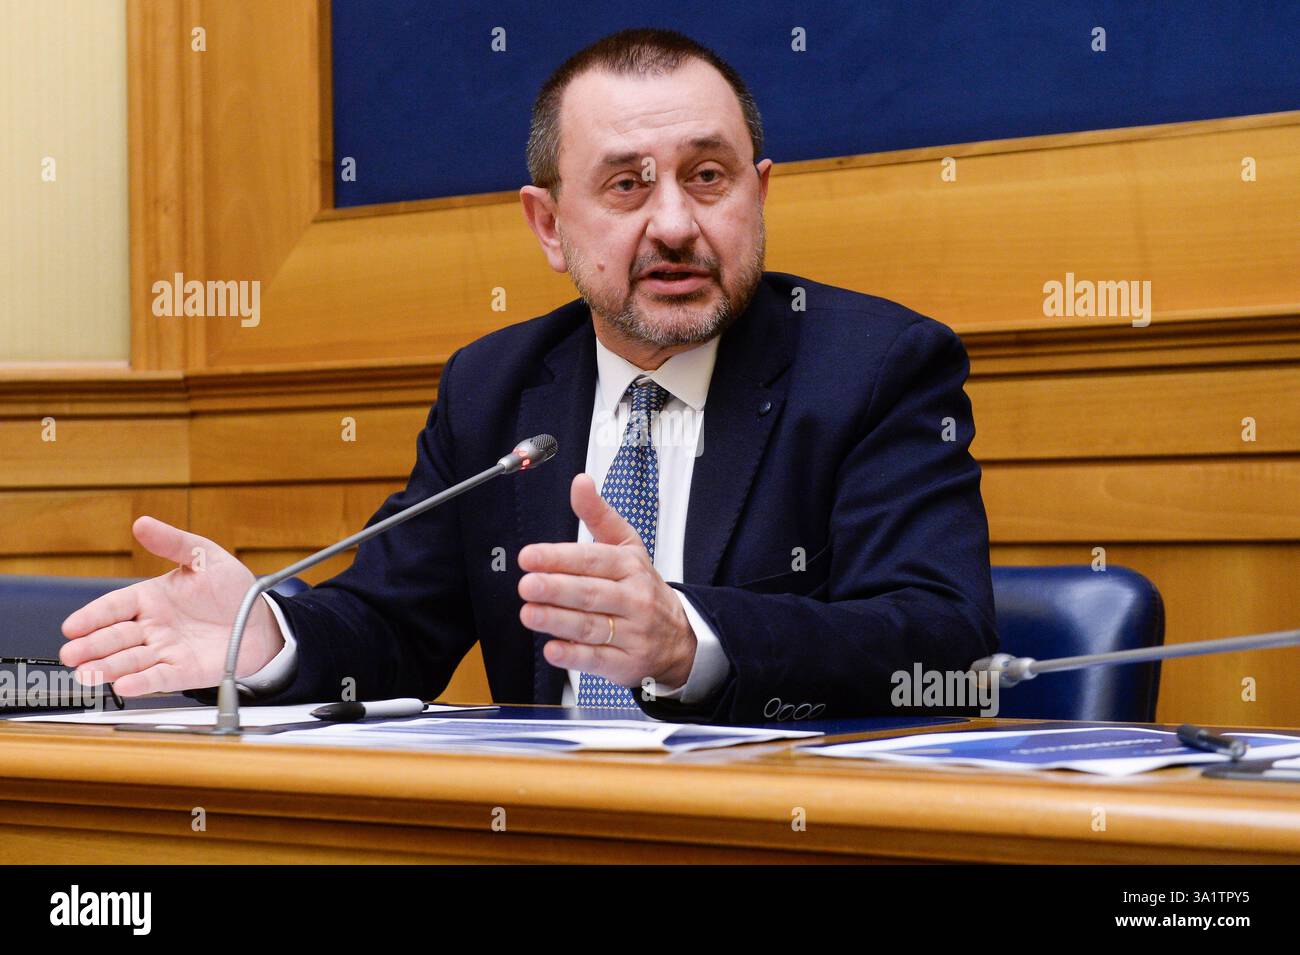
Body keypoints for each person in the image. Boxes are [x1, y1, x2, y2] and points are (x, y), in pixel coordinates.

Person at [59, 28, 996, 724]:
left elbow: (940, 640)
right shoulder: (496, 389)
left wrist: (688, 638)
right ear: (548, 225)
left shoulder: (876, 367)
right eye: (626, 185)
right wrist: (267, 635)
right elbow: (392, 630)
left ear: (759, 194)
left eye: (707, 177)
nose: (673, 223)